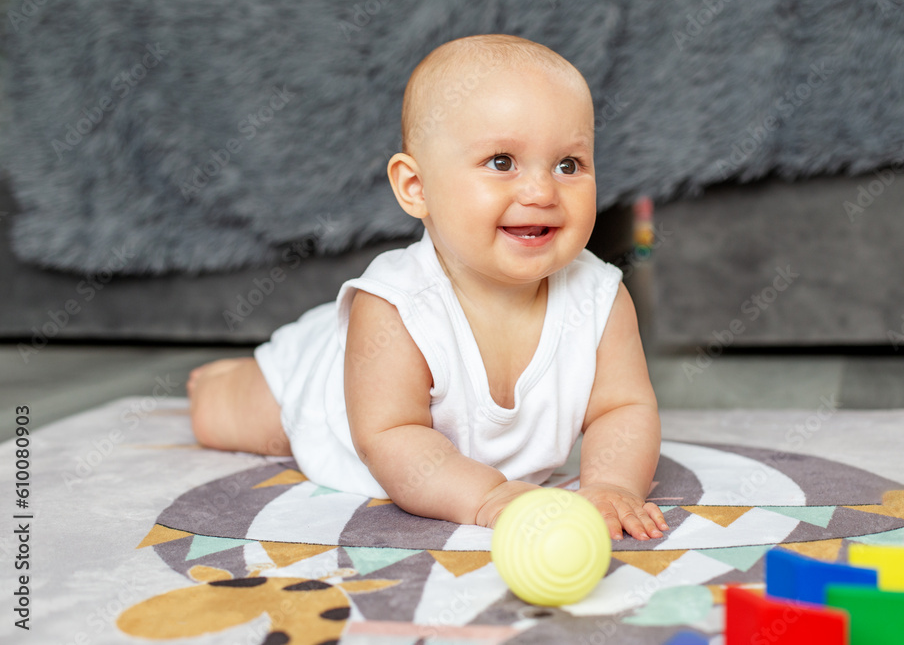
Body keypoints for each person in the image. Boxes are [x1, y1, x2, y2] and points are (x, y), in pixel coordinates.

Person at [187, 34, 667, 541]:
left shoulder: (600, 297)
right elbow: (393, 435)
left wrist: (613, 482)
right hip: (321, 389)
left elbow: (624, 407)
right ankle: (219, 379)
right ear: (416, 188)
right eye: (502, 161)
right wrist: (486, 495)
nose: (541, 191)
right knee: (236, 418)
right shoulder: (394, 308)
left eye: (568, 165)